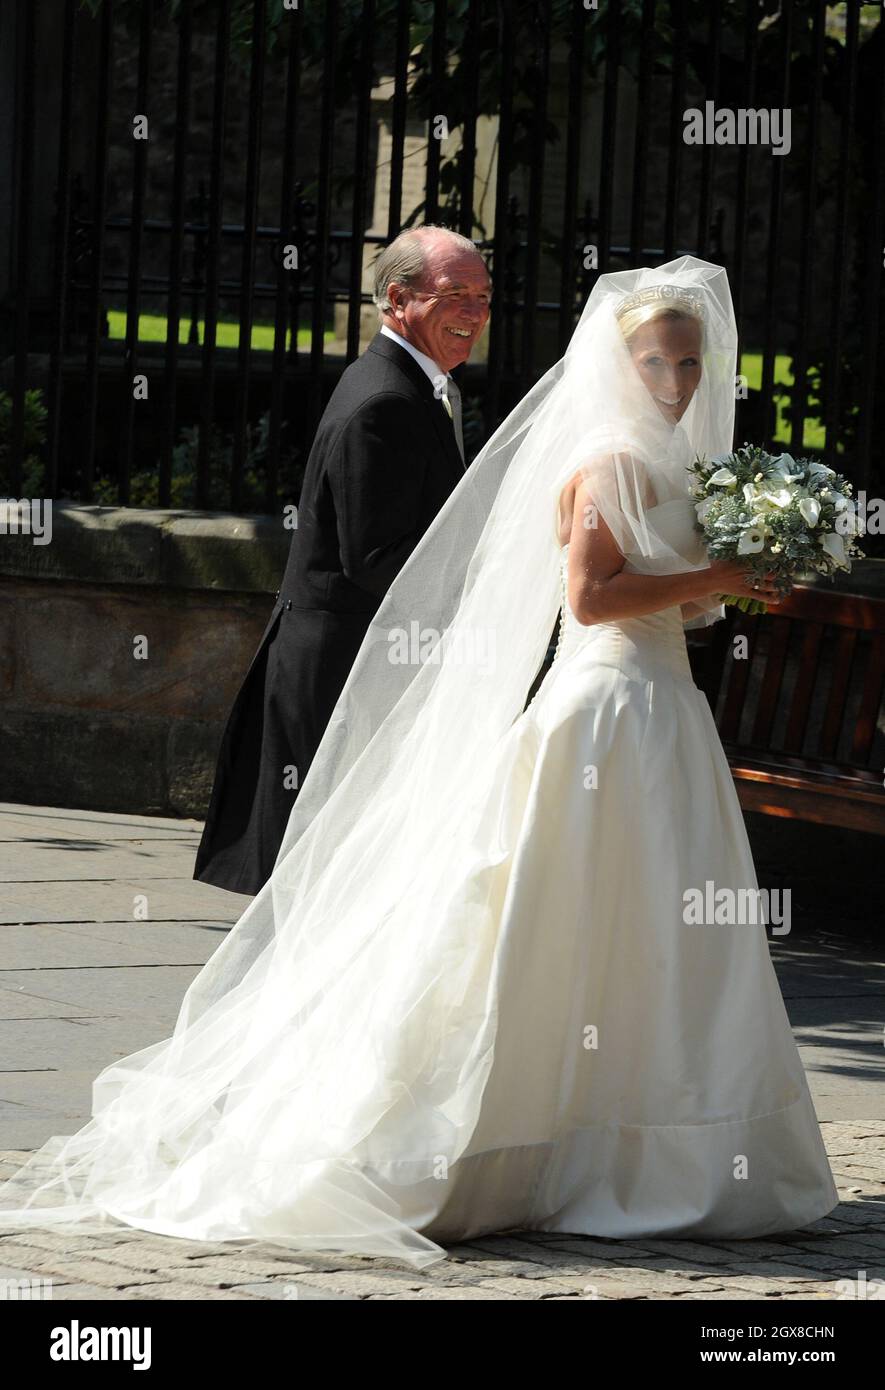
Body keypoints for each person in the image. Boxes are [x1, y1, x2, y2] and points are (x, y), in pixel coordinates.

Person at [0, 256, 838, 1269]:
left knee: (657, 921)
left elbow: (668, 590)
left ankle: (656, 1147)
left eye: (692, 362)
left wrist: (739, 580)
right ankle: (534, 1146)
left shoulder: (669, 457)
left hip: (664, 707)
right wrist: (721, 573)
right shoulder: (609, 455)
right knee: (561, 916)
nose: (678, 380)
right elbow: (589, 597)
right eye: (658, 360)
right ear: (621, 363)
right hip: (608, 708)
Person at [193, 224, 491, 895]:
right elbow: (376, 558)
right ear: (397, 299)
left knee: (335, 871)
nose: (474, 312)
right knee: (320, 872)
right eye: (455, 295)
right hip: (343, 664)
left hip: (358, 653)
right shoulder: (385, 401)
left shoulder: (415, 385)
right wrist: (486, 586)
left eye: (483, 295)